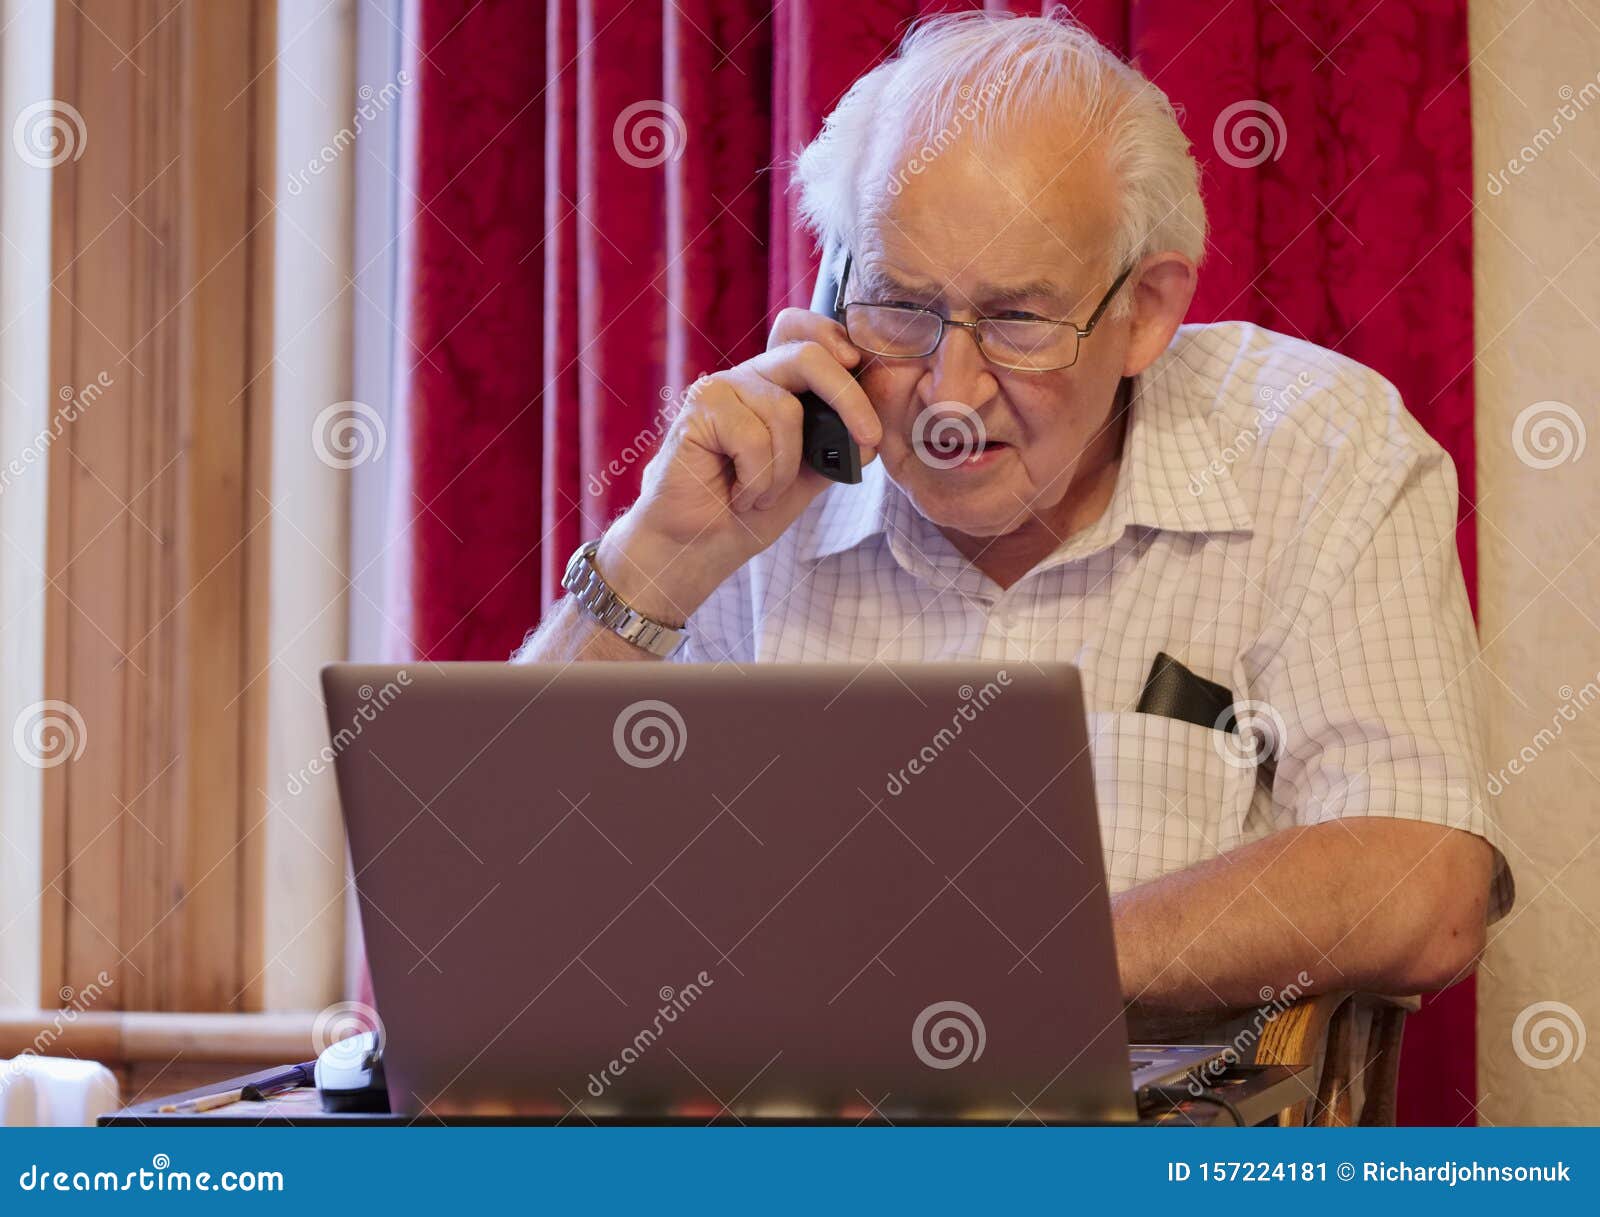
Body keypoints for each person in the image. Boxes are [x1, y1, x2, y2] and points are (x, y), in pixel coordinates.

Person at [518, 10, 1511, 1036]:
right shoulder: (761, 471)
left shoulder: (1309, 444)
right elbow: (491, 894)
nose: (950, 394)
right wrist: (659, 560)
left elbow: (1423, 881)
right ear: (833, 288)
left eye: (1017, 321)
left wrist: (1014, 961)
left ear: (1147, 311)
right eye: (901, 305)